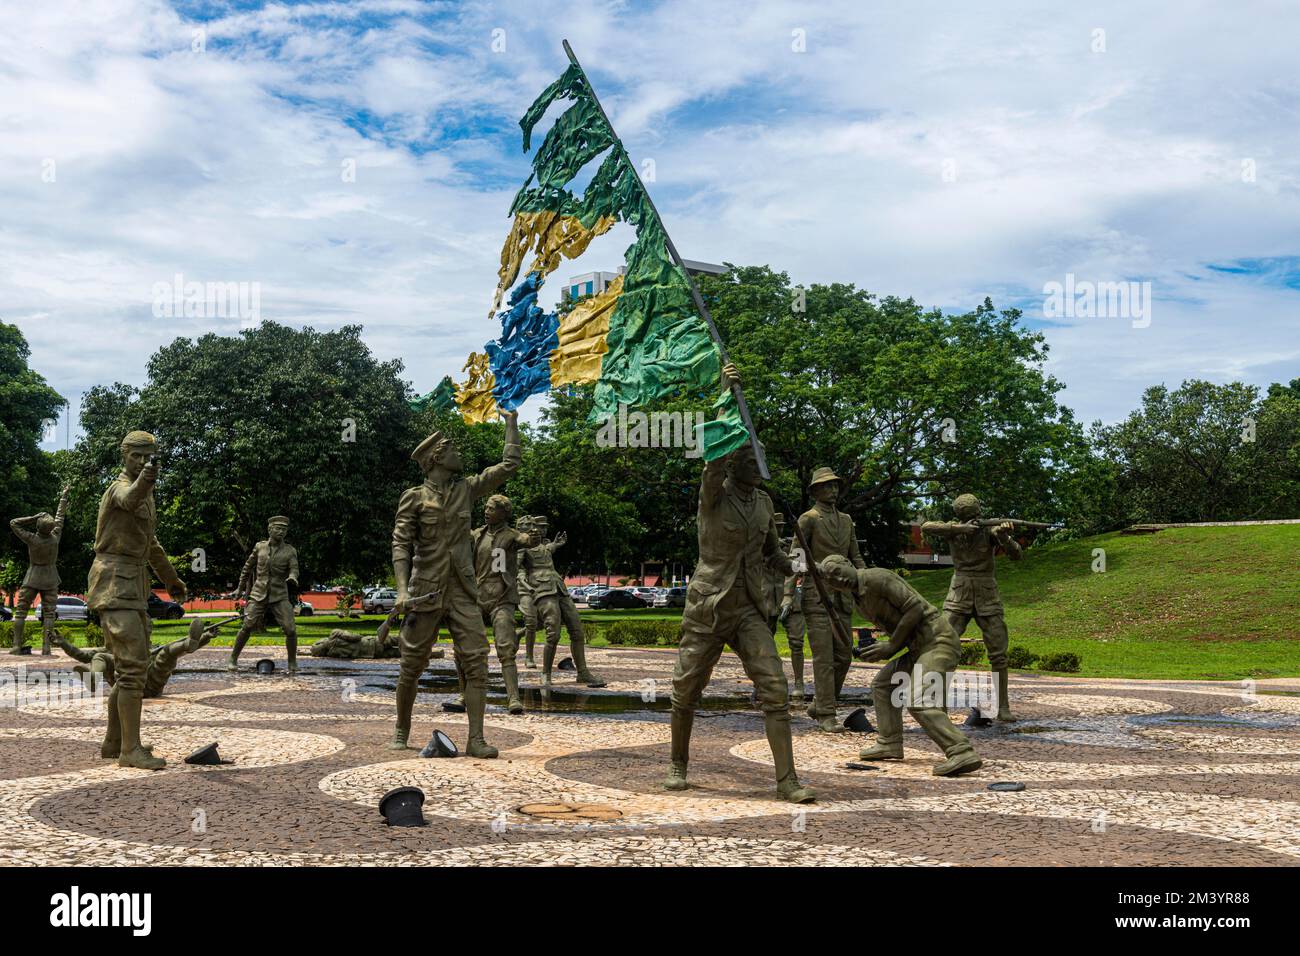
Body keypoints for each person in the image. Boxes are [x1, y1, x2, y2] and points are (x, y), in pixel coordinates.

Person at [663, 363, 813, 804]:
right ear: (734, 462)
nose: (758, 465)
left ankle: (787, 780)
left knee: (774, 687)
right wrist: (726, 395)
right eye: (751, 459)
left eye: (759, 459)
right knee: (686, 687)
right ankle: (678, 764)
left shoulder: (764, 504)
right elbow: (710, 459)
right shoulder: (713, 495)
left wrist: (795, 569)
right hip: (710, 603)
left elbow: (772, 553)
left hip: (750, 606)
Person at [389, 410, 521, 757]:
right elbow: (400, 544)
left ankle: (475, 739)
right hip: (425, 591)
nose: (458, 454)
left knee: (476, 660)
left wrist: (512, 424)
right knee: (411, 666)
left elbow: (508, 466)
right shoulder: (414, 497)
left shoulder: (466, 489)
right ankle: (402, 728)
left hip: (463, 591)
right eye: (451, 449)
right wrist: (402, 590)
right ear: (436, 459)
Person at [818, 555, 983, 776]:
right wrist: (882, 648)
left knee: (919, 699)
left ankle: (961, 751)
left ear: (849, 564)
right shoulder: (859, 602)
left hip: (937, 642)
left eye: (839, 572)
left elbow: (914, 609)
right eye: (832, 580)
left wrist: (891, 646)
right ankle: (890, 741)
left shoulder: (877, 578)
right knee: (883, 685)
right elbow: (897, 628)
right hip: (917, 648)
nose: (839, 579)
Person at [86, 432, 187, 770]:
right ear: (124, 456)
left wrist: (171, 579)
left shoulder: (146, 495)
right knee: (131, 671)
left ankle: (116, 742)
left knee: (130, 668)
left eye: (149, 457)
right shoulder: (119, 489)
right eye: (137, 457)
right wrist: (146, 478)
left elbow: (151, 545)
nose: (143, 462)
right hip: (115, 582)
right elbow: (129, 499)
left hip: (133, 585)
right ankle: (130, 750)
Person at [921, 494, 1021, 721]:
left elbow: (1017, 555)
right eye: (968, 514)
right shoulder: (953, 529)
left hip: (987, 593)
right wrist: (958, 529)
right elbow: (927, 526)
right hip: (959, 593)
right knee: (943, 647)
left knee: (999, 652)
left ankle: (1003, 707)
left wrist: (1004, 537)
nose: (974, 516)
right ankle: (939, 705)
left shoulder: (991, 530)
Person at [796, 466, 864, 732]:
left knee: (844, 655)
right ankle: (826, 713)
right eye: (827, 486)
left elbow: (855, 554)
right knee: (823, 657)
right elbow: (795, 557)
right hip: (817, 595)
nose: (833, 490)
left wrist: (865, 579)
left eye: (835, 486)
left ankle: (821, 703)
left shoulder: (846, 520)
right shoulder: (808, 519)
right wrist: (818, 567)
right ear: (815, 491)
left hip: (843, 596)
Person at [520, 517, 605, 688]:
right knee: (553, 633)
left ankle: (583, 673)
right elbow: (517, 570)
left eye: (538, 528)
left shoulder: (544, 546)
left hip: (560, 588)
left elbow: (548, 549)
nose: (536, 531)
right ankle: (546, 674)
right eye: (533, 528)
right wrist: (524, 584)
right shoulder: (521, 548)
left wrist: (558, 544)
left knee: (577, 631)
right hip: (542, 591)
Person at [228, 516, 300, 673]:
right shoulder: (259, 547)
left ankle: (292, 662)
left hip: (279, 594)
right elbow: (247, 568)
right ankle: (233, 658)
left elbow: (294, 569)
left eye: (284, 529)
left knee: (291, 630)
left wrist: (293, 577)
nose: (281, 532)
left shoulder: (290, 551)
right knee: (247, 626)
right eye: (278, 528)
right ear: (270, 529)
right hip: (258, 593)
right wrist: (239, 589)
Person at [8, 484, 69, 655]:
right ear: (50, 528)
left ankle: (16, 646)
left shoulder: (32, 539)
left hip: (33, 576)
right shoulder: (55, 538)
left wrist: (34, 517)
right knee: (49, 614)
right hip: (50, 578)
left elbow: (13, 523)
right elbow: (60, 517)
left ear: (37, 527)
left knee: (20, 612)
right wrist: (63, 498)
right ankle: (46, 648)